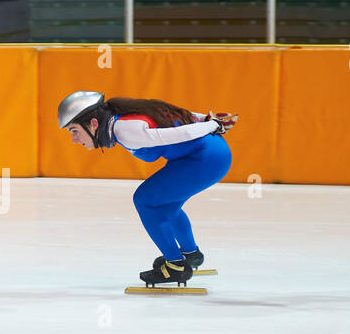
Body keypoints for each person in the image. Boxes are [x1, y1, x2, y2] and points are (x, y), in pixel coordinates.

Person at [58, 91, 237, 285]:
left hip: (207, 158)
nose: (74, 140)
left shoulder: (123, 129)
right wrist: (205, 118)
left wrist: (212, 124)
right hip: (202, 156)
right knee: (167, 207)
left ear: (93, 123)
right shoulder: (120, 118)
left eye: (74, 130)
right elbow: (171, 114)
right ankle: (190, 254)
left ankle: (176, 265)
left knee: (145, 200)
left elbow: (179, 133)